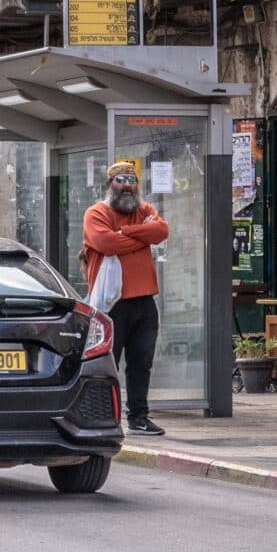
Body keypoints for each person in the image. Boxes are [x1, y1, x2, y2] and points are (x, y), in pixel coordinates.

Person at [81, 158, 170, 437]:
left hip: (145, 301)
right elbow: (106, 243)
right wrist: (141, 238)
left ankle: (139, 417)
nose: (127, 186)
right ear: (110, 185)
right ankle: (106, 416)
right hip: (111, 304)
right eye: (121, 181)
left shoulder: (143, 209)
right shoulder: (97, 213)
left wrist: (128, 233)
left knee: (141, 362)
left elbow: (161, 231)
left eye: (132, 181)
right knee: (108, 363)